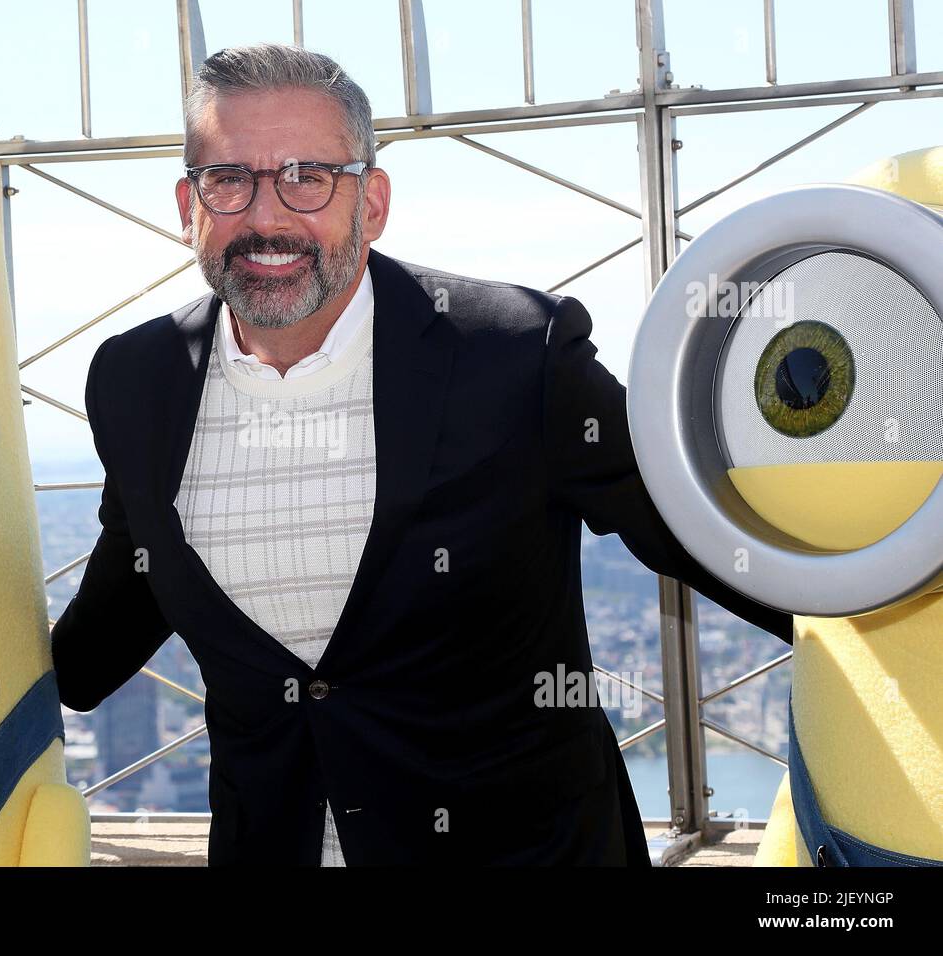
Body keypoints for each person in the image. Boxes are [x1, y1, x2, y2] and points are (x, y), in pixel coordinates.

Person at [49, 41, 793, 866]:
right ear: (189, 204)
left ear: (372, 203)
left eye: (308, 176)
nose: (266, 217)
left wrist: (881, 620)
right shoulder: (133, 377)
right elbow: (133, 579)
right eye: (231, 180)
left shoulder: (514, 353)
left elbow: (697, 530)